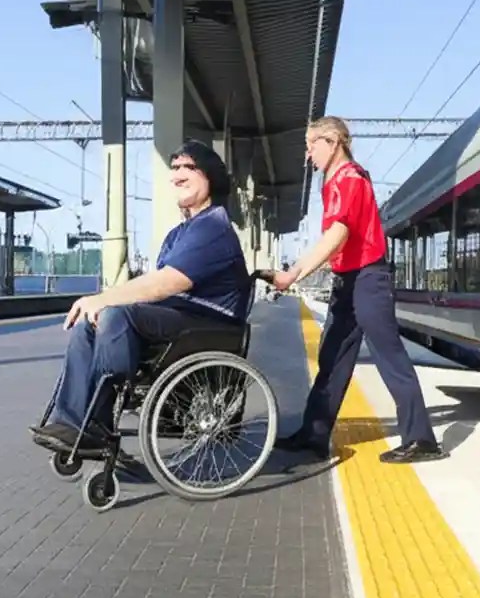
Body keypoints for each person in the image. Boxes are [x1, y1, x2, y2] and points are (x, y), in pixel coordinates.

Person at [31, 139, 249, 454]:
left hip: (209, 322)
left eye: (189, 167)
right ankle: (71, 422)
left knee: (116, 314)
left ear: (211, 177)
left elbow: (168, 282)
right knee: (87, 325)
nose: (177, 175)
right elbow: (154, 284)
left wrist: (105, 299)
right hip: (179, 317)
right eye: (174, 169)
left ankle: (101, 417)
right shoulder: (180, 233)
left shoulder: (213, 227)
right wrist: (100, 305)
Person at [271, 116, 447, 464]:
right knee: (332, 357)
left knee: (389, 355)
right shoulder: (334, 182)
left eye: (311, 145)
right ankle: (314, 436)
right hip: (347, 281)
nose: (308, 156)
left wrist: (293, 273)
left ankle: (421, 438)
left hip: (368, 279)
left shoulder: (350, 180)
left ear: (333, 141)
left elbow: (337, 235)